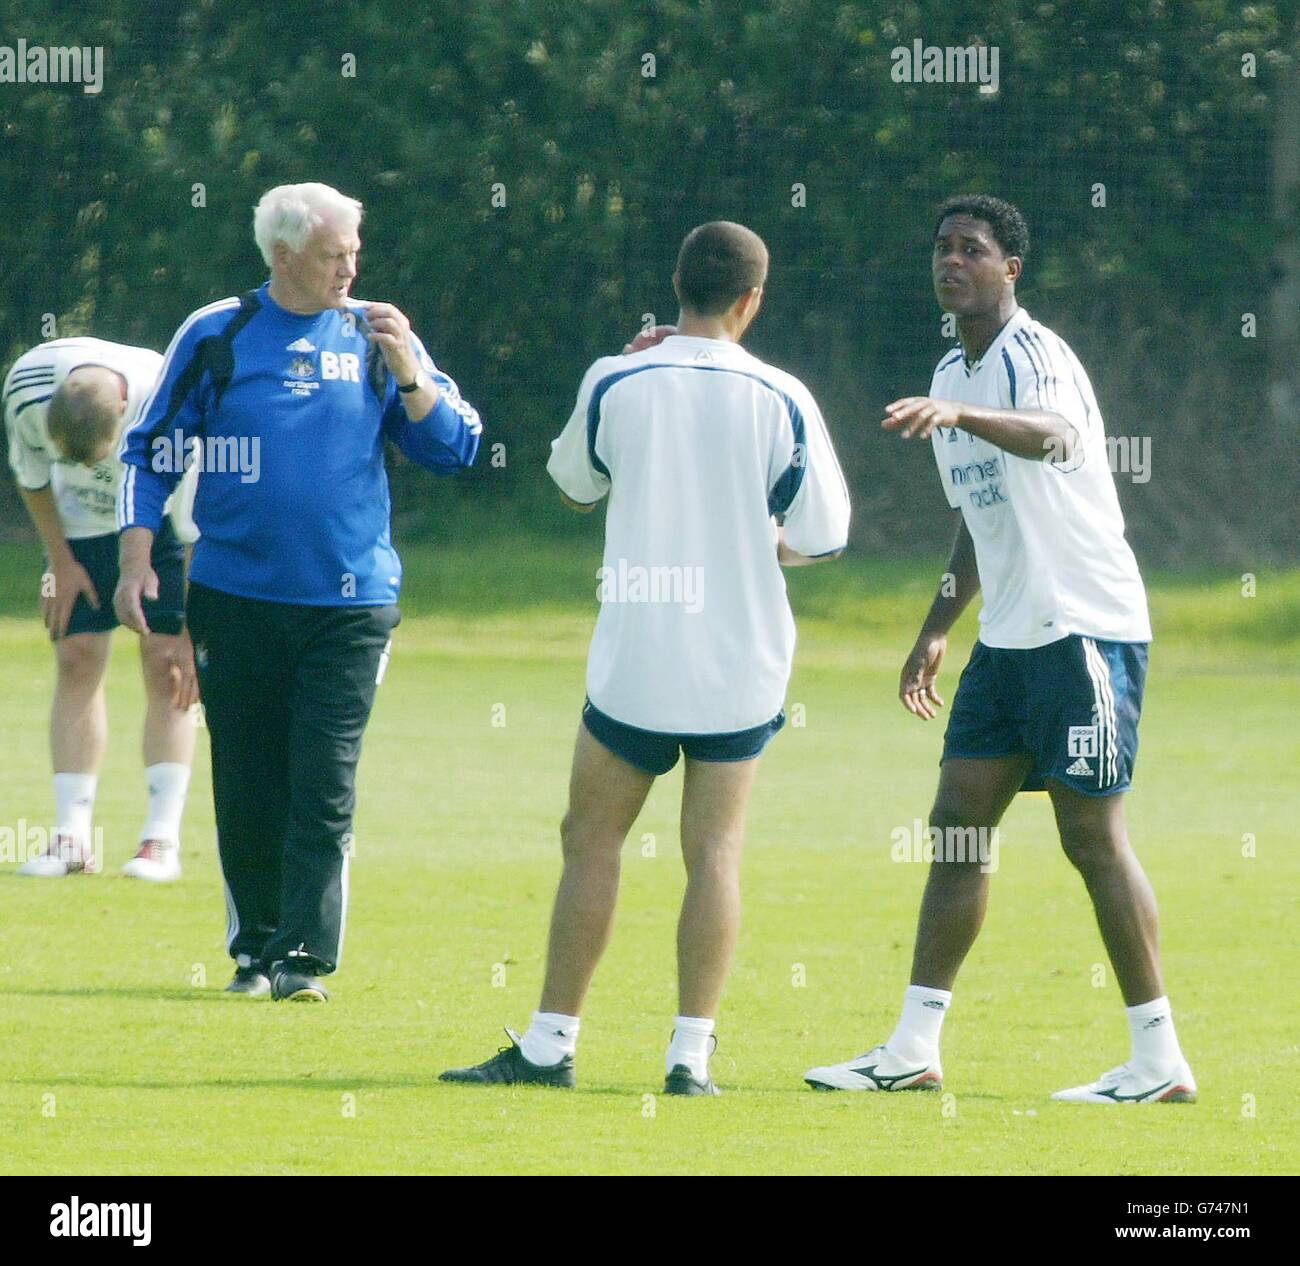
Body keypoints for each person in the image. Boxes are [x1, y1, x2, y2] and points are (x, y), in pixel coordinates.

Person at [441, 221, 850, 1094]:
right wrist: (759, 543)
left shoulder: (616, 377)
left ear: (676, 282)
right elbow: (827, 536)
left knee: (590, 841)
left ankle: (551, 1046)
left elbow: (572, 488)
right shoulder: (783, 395)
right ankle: (688, 1058)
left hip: (636, 660)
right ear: (753, 300)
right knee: (717, 854)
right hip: (741, 666)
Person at [804, 194, 1196, 1104]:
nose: (952, 262)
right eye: (941, 248)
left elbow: (1054, 438)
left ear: (1010, 269)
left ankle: (1158, 1059)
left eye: (972, 250)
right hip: (1010, 638)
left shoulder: (1034, 355)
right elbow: (978, 526)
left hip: (1085, 628)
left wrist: (958, 415)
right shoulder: (951, 367)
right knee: (957, 829)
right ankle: (912, 1047)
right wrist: (936, 631)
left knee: (1092, 839)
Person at [115, 182, 482, 1002]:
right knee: (248, 775)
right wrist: (136, 561)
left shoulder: (379, 334)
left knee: (323, 778)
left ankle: (302, 959)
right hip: (233, 595)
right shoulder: (219, 333)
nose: (350, 268)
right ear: (282, 256)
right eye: (332, 255)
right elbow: (151, 452)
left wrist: (411, 375)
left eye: (355, 251)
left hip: (350, 606)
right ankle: (254, 949)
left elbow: (458, 449)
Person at [5, 337, 198, 881]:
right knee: (77, 657)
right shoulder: (26, 390)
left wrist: (191, 620)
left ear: (123, 411)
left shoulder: (170, 402)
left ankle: (160, 841)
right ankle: (72, 838)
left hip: (160, 518)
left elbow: (193, 526)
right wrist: (60, 562)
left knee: (168, 665)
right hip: (80, 525)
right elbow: (34, 476)